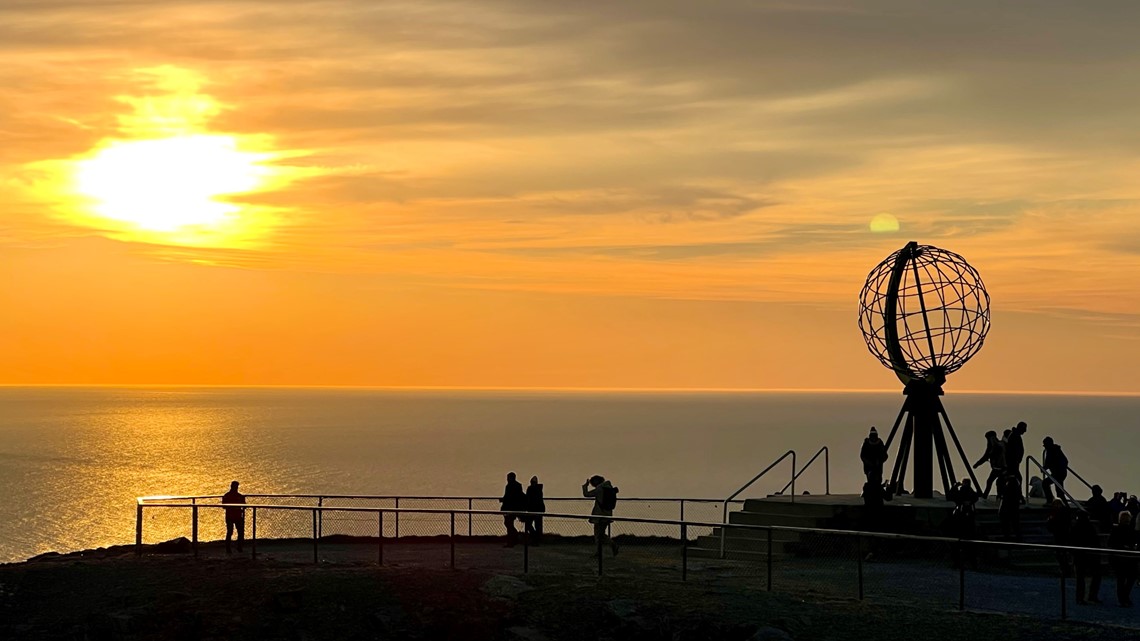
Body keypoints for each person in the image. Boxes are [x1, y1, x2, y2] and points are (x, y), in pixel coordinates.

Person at [1070, 511, 1103, 605]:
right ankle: (1092, 595)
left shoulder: (1075, 528)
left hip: (1080, 555)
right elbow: (1096, 541)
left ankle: (1080, 598)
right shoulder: (1090, 527)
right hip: (1091, 555)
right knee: (1096, 575)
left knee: (1080, 578)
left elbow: (1071, 541)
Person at [583, 475, 619, 557]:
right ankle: (603, 550)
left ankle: (611, 546)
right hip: (608, 514)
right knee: (600, 534)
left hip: (599, 514)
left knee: (599, 534)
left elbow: (586, 494)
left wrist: (585, 486)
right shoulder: (609, 488)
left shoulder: (599, 489)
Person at [1107, 511, 1137, 607]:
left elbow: (1111, 543)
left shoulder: (1118, 529)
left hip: (1123, 558)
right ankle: (1124, 598)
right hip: (1123, 558)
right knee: (1126, 579)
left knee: (1124, 579)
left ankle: (1123, 598)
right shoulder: (1126, 529)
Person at [972, 430, 1006, 499]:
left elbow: (985, 457)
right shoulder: (1000, 444)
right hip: (998, 468)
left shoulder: (996, 446)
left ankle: (995, 496)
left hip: (1001, 468)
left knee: (997, 482)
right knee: (992, 481)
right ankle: (992, 495)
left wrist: (977, 464)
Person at [499, 472, 526, 548]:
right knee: (509, 524)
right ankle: (514, 538)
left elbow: (508, 497)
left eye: (508, 477)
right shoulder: (518, 486)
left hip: (509, 508)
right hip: (515, 508)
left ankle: (512, 539)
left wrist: (503, 501)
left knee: (508, 524)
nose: (507, 479)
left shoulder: (509, 486)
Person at [1041, 437, 1069, 504]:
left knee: (1045, 483)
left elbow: (1048, 462)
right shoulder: (1056, 450)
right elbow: (1065, 460)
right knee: (1059, 491)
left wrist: (1044, 468)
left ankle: (1050, 501)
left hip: (1058, 473)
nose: (1045, 447)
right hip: (1059, 473)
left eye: (1045, 445)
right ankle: (1065, 505)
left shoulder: (1051, 451)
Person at [222, 480, 246, 554]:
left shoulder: (239, 496)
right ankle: (229, 548)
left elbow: (244, 505)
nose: (236, 488)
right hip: (231, 516)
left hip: (237, 516)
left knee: (239, 532)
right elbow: (224, 506)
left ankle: (238, 547)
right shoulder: (228, 496)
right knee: (230, 532)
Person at [998, 473, 1022, 541]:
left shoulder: (1006, 490)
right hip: (1014, 509)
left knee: (1006, 526)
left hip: (1006, 510)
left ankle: (1007, 538)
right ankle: (1018, 538)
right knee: (1016, 525)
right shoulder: (1016, 491)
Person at [524, 475, 545, 545]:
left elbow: (528, 498)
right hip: (539, 509)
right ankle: (536, 539)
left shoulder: (530, 489)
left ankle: (534, 537)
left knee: (529, 524)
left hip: (532, 509)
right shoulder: (539, 489)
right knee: (537, 525)